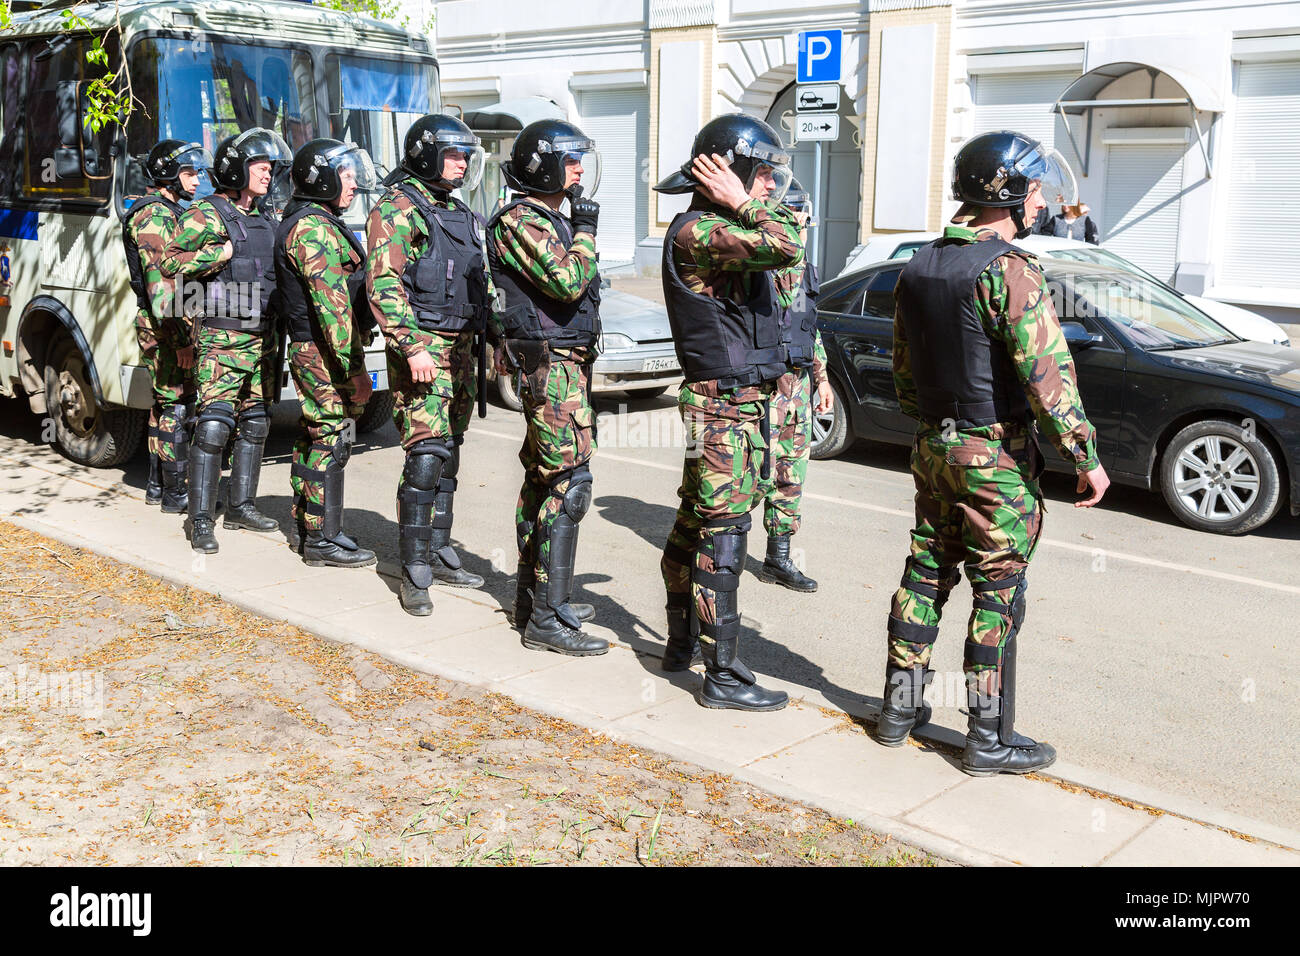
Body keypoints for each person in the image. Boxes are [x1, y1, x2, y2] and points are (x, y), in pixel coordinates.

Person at [874, 130, 1110, 775]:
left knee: (925, 573)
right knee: (998, 590)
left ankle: (899, 710)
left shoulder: (917, 265)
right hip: (993, 455)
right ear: (1006, 191)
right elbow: (1047, 374)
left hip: (933, 447)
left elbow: (901, 370)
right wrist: (1084, 455)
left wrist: (934, 432)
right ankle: (986, 739)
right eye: (1033, 190)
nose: (1039, 202)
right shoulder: (1008, 268)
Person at [653, 113, 803, 710]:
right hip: (723, 409)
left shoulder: (716, 227)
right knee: (724, 533)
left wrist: (743, 200)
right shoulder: (699, 232)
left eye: (770, 176)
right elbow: (786, 247)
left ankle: (680, 642)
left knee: (697, 523)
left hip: (730, 404)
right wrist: (743, 200)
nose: (768, 186)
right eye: (760, 173)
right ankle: (722, 675)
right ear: (727, 171)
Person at [366, 113, 492, 615]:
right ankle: (413, 567)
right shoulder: (399, 208)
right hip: (423, 349)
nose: (463, 163)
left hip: (461, 347)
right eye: (454, 154)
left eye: (466, 155)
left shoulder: (456, 212)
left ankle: (439, 546)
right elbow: (384, 282)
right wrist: (410, 345)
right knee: (425, 453)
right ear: (426, 154)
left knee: (449, 451)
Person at [488, 118, 604, 655]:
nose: (580, 169)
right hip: (548, 366)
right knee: (569, 483)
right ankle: (546, 619)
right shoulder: (520, 221)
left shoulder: (548, 219)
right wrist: (585, 234)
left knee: (544, 480)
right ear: (545, 164)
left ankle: (536, 599)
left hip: (566, 363)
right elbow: (567, 280)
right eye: (571, 159)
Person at [162, 127, 293, 554]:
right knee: (215, 426)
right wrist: (216, 256)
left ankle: (241, 506)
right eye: (260, 166)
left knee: (255, 422)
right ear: (236, 167)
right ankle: (200, 519)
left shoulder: (263, 217)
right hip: (223, 336)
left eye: (271, 167)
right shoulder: (208, 212)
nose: (268, 173)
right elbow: (170, 261)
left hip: (263, 339)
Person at [275, 138, 380, 568]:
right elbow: (332, 309)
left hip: (320, 346)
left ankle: (311, 525)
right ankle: (321, 539)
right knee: (331, 438)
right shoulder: (313, 228)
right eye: (347, 175)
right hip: (321, 348)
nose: (353, 184)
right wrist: (356, 370)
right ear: (322, 178)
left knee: (317, 434)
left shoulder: (321, 220)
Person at [122, 140, 210, 514]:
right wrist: (181, 341)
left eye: (197, 173)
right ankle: (177, 493)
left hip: (165, 327)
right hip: (166, 328)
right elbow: (165, 294)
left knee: (165, 405)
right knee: (176, 405)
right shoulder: (156, 216)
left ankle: (158, 487)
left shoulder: (169, 211)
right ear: (167, 174)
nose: (196, 181)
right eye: (189, 173)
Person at [757, 179, 834, 593]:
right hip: (765, 385)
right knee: (752, 474)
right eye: (799, 218)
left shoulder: (802, 267)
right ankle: (713, 556)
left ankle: (778, 558)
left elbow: (807, 327)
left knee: (791, 470)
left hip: (797, 384)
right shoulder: (767, 261)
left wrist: (821, 379)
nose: (805, 227)